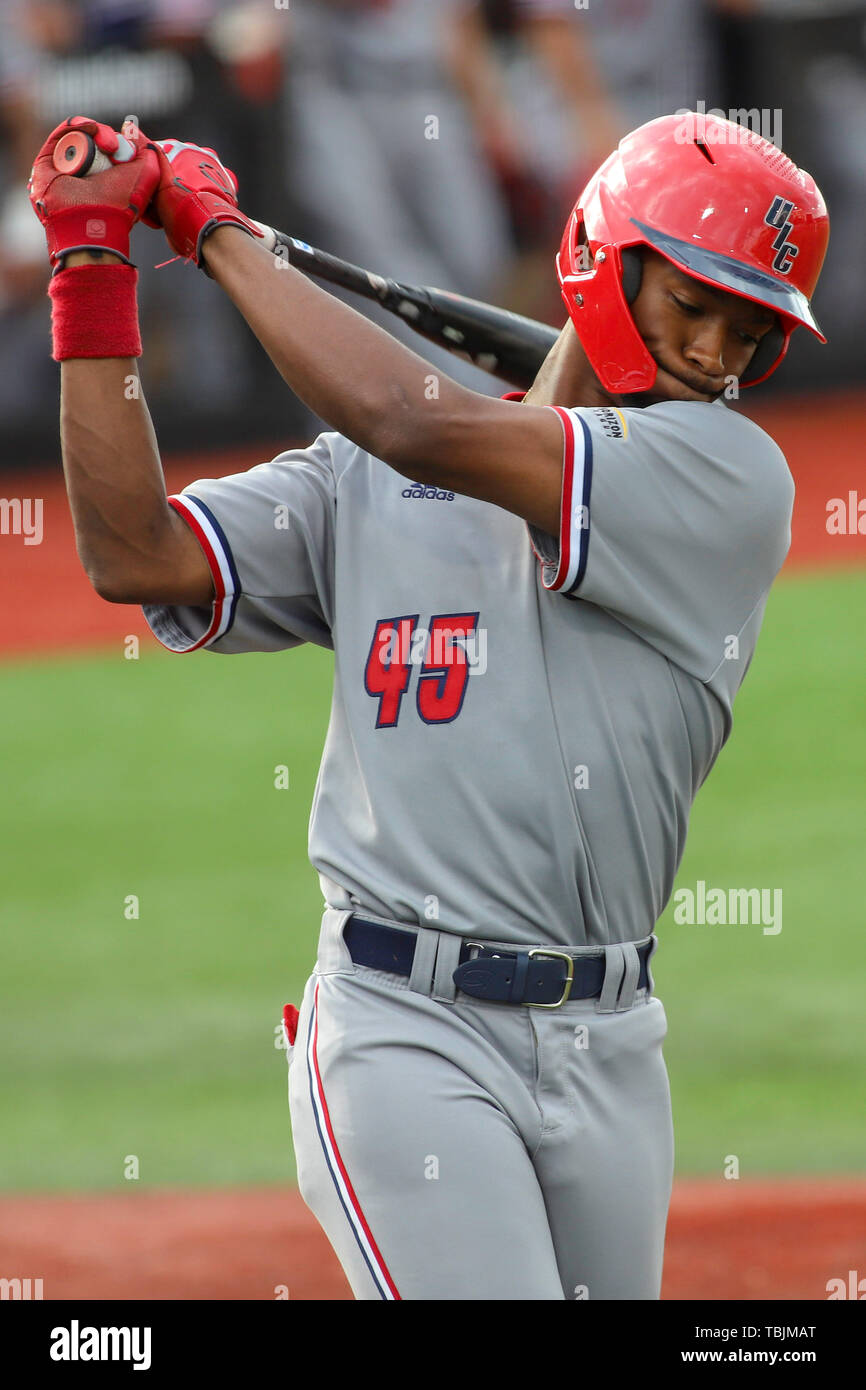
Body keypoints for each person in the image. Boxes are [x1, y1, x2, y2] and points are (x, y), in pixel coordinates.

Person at [30, 110, 828, 1299]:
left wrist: (213, 228)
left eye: (747, 331)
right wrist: (92, 269)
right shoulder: (363, 482)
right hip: (404, 1032)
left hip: (612, 1039)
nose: (713, 354)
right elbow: (135, 555)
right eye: (691, 305)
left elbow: (410, 420)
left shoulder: (729, 482)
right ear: (603, 260)